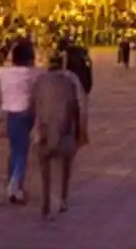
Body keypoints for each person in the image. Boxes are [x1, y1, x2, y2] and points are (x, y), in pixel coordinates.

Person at [32, 53, 86, 217]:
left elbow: (34, 105)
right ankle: (62, 199)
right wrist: (78, 131)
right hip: (65, 132)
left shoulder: (39, 81)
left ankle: (46, 202)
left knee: (44, 166)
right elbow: (77, 106)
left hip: (45, 133)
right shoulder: (69, 81)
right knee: (65, 168)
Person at [0, 39, 39, 205]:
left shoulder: (3, 73)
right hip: (26, 113)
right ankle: (14, 186)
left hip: (10, 114)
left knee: (15, 149)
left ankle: (14, 184)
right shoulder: (32, 74)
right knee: (22, 152)